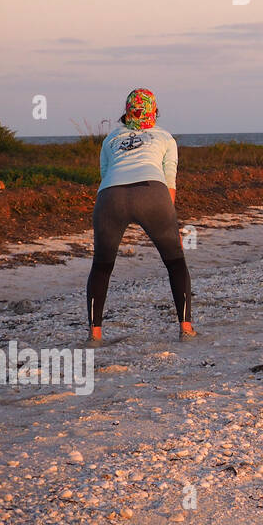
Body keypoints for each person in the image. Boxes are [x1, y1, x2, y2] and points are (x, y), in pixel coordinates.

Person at [87, 89, 193, 345]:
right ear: (154, 112)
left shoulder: (110, 139)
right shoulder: (165, 137)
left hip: (110, 197)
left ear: (126, 112)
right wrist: (171, 223)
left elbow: (106, 175)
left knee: (101, 267)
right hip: (152, 194)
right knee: (176, 262)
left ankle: (95, 335)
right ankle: (187, 328)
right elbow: (169, 182)